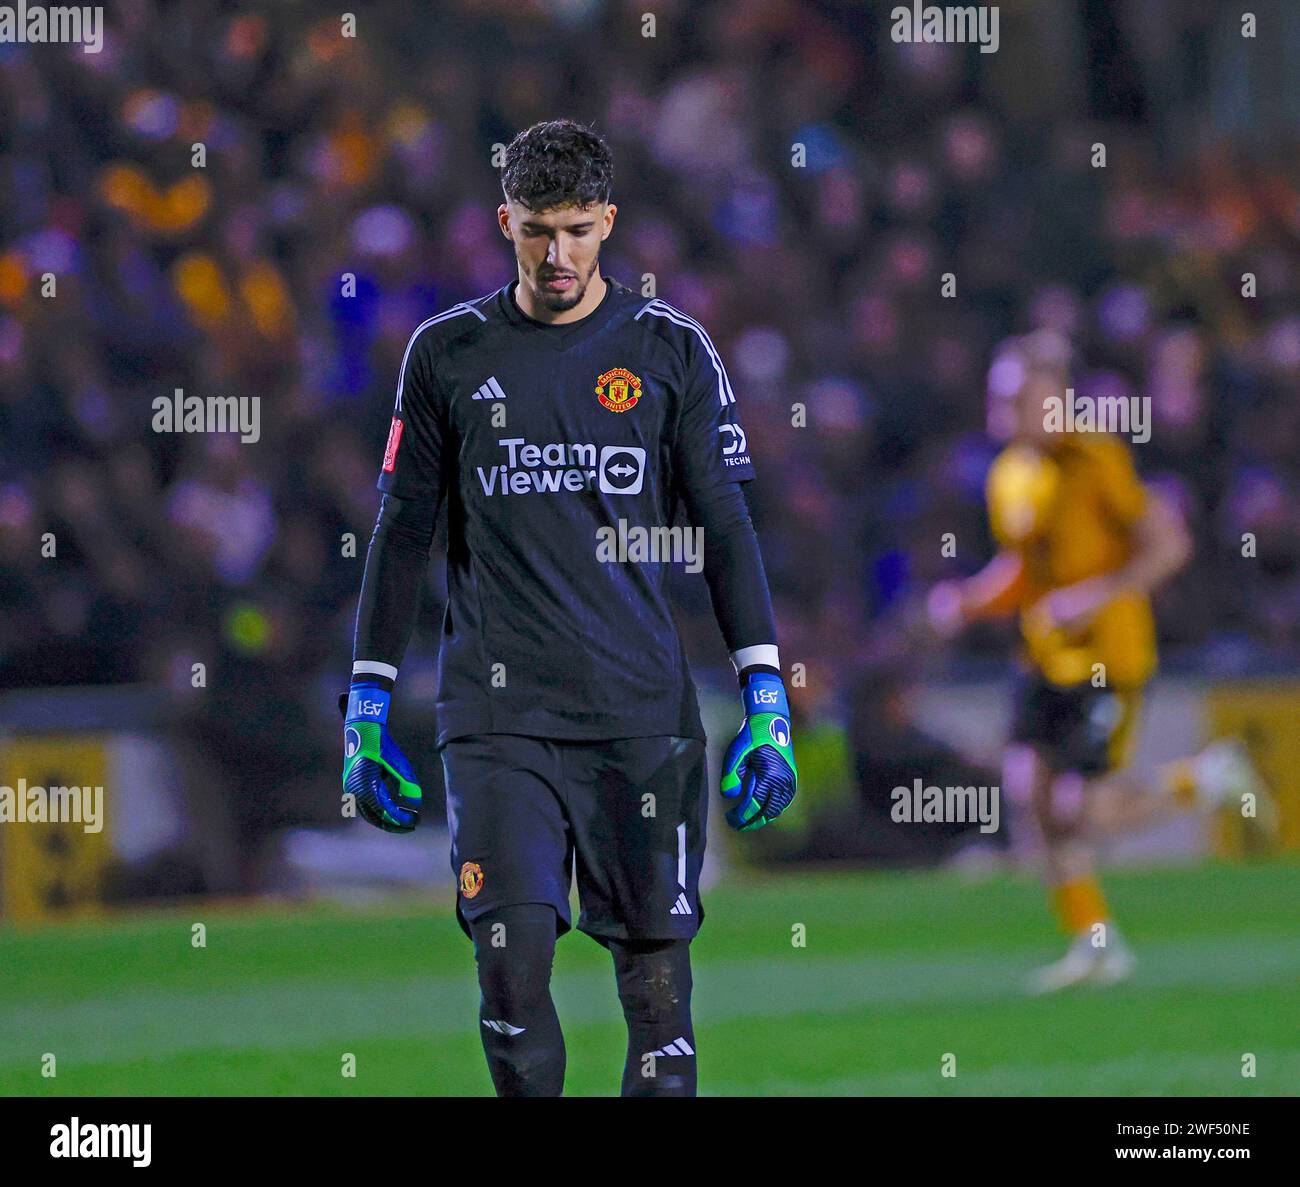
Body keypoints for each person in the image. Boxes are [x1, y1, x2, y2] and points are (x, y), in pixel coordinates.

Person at [340, 120, 796, 1094]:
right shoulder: (447, 354)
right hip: (498, 721)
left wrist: (767, 699)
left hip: (640, 716)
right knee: (509, 974)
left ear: (609, 224)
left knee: (659, 1011)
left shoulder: (669, 350)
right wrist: (367, 704)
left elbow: (726, 530)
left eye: (579, 230)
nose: (558, 255)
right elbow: (401, 532)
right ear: (504, 221)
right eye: (538, 231)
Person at [927, 329, 1271, 993]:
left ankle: (1205, 779)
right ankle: (1094, 942)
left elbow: (1168, 545)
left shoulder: (1096, 460)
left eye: (1018, 396)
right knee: (1033, 795)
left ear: (1055, 397)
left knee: (1079, 809)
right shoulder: (1008, 474)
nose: (1003, 410)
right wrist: (969, 601)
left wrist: (1099, 593)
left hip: (1106, 658)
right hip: (1043, 656)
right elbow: (1024, 572)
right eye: (1000, 397)